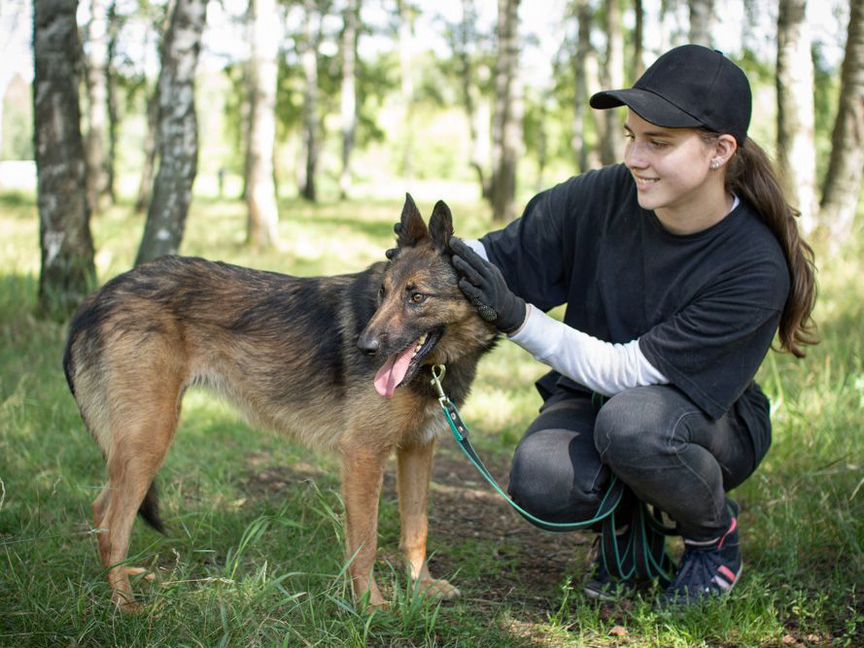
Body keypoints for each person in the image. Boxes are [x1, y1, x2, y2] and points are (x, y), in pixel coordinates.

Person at [446, 44, 817, 606]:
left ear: (720, 151)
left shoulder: (754, 266)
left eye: (658, 143)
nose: (635, 158)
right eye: (631, 136)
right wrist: (419, 265)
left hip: (704, 419)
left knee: (632, 426)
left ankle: (713, 535)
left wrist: (519, 319)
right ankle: (625, 524)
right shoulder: (601, 196)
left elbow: (627, 372)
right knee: (543, 480)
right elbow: (495, 257)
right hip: (593, 395)